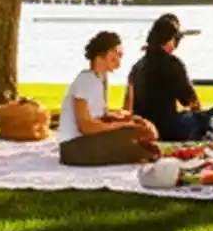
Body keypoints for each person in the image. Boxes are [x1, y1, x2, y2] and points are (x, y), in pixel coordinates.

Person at [58, 31, 160, 166]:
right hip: (74, 147)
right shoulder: (84, 80)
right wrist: (123, 125)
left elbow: (100, 115)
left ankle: (142, 151)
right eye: (116, 55)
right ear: (103, 54)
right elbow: (85, 126)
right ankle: (141, 152)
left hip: (90, 139)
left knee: (141, 127)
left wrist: (126, 118)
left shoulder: (101, 78)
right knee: (133, 135)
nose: (119, 60)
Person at [130, 18, 213, 141]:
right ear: (170, 40)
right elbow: (192, 102)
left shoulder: (137, 67)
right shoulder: (172, 64)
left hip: (145, 128)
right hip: (168, 129)